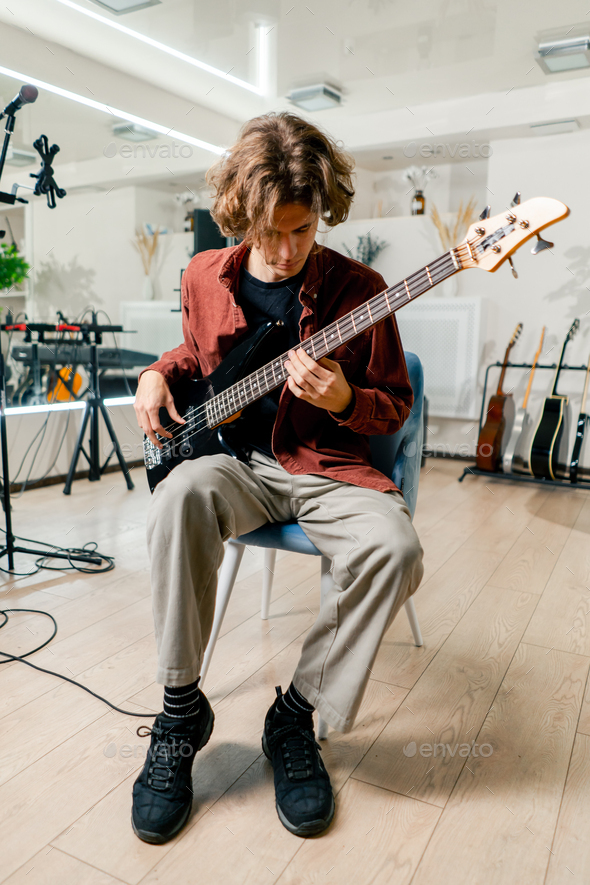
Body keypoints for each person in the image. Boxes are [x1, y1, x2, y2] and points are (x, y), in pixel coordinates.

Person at [131, 111, 424, 844]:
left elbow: (396, 403)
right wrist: (155, 373)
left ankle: (295, 716)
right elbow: (198, 361)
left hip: (325, 465)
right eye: (272, 232)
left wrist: (346, 398)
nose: (289, 248)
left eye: (304, 228)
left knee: (396, 548)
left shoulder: (364, 290)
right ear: (241, 215)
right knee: (177, 500)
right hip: (237, 463)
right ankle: (178, 712)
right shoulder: (203, 274)